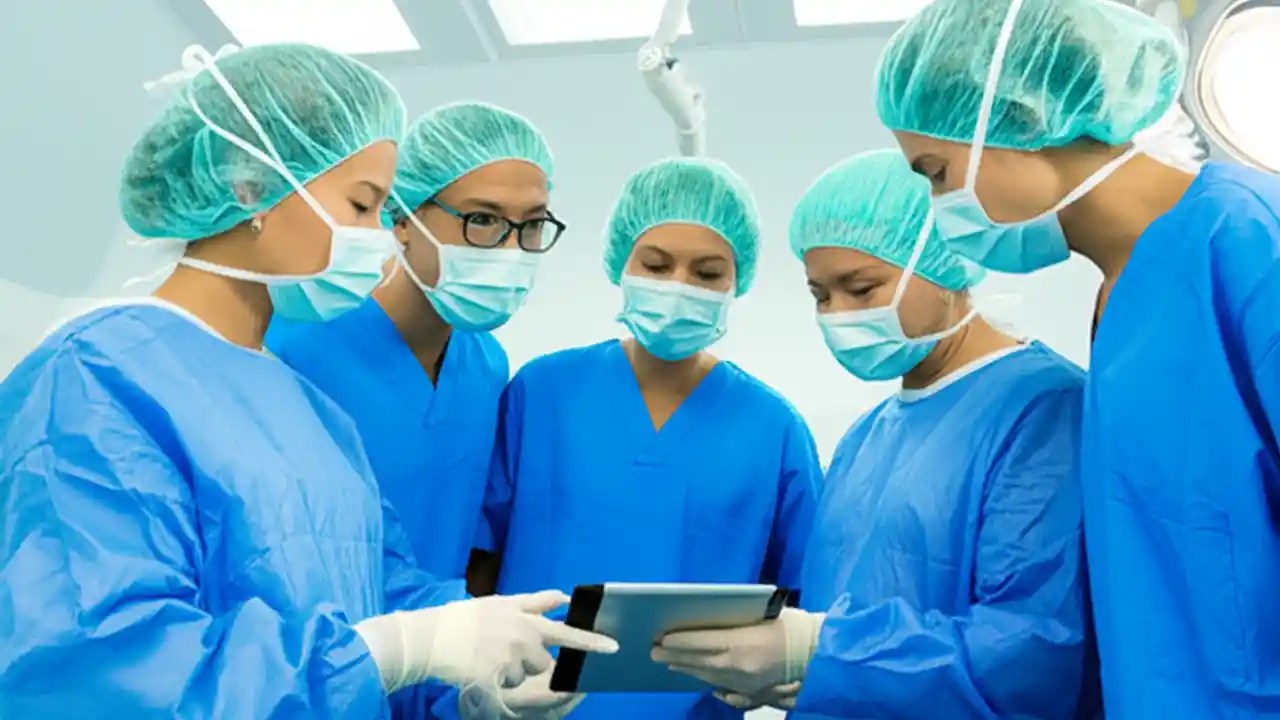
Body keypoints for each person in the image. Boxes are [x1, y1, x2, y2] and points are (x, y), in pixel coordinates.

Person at [0, 43, 614, 720]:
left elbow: (378, 588)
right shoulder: (96, 378)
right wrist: (395, 650)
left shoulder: (310, 409)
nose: (381, 238)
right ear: (249, 187)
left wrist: (473, 680)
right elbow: (97, 668)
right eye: (362, 205)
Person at [875, 0, 1280, 715]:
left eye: (937, 172)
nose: (941, 204)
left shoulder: (1247, 240)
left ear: (1025, 118)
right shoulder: (1122, 299)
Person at [652, 149, 1098, 719]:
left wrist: (818, 653)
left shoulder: (1042, 409)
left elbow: (1033, 650)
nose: (838, 313)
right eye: (820, 295)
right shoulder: (867, 437)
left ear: (946, 263)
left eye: (861, 289)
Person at [471, 156, 822, 719]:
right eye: (656, 265)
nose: (679, 287)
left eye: (707, 274)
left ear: (738, 281)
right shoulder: (543, 392)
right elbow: (480, 556)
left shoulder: (772, 427)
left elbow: (801, 599)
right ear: (620, 263)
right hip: (527, 704)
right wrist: (476, 681)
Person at [266, 101, 560, 586]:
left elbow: (471, 537)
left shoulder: (485, 365)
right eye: (483, 220)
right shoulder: (295, 343)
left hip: (446, 649)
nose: (512, 250)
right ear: (402, 218)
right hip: (317, 646)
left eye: (531, 226)